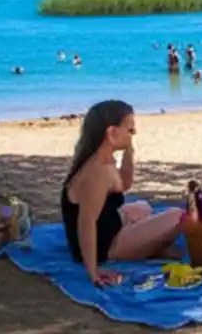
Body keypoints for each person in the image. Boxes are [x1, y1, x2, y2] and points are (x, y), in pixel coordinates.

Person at [61, 100, 183, 286]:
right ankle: (148, 248)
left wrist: (129, 150)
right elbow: (86, 223)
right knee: (178, 216)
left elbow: (124, 184)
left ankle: (149, 246)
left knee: (143, 207)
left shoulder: (103, 158)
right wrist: (93, 272)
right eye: (130, 130)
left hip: (111, 225)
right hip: (106, 247)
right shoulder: (97, 171)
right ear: (112, 133)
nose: (133, 134)